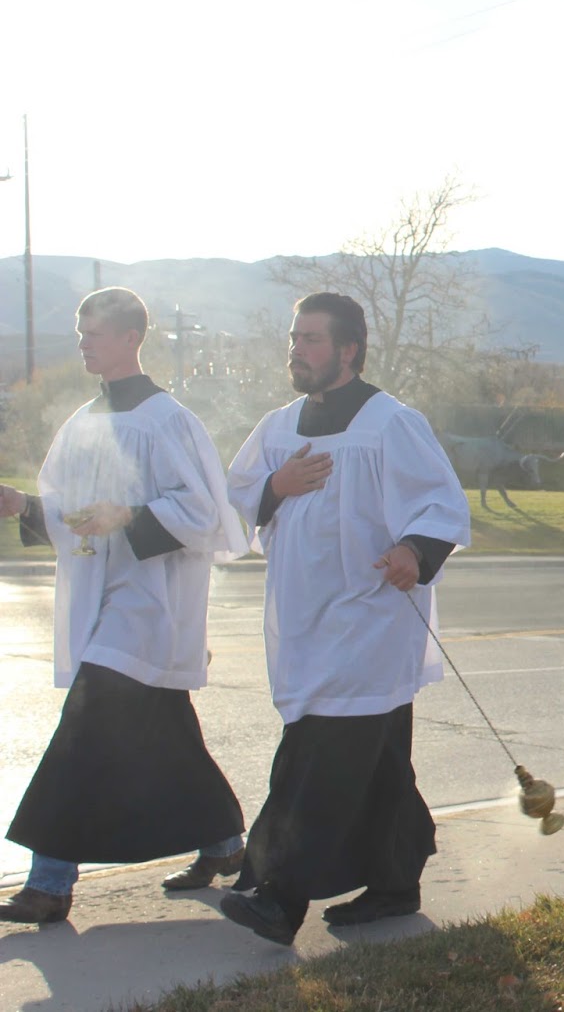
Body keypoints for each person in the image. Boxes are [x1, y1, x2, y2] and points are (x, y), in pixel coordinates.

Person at [220, 292, 471, 944]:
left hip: (369, 617)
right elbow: (234, 498)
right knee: (378, 754)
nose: (296, 350)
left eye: (310, 339)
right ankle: (395, 880)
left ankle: (278, 894)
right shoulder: (278, 427)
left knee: (320, 758)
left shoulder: (389, 423)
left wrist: (414, 552)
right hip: (302, 618)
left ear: (348, 349)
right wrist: (275, 487)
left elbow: (439, 503)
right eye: (295, 338)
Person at [0, 288, 247, 926]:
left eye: (95, 334)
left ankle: (51, 881)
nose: (84, 343)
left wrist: (129, 515)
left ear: (132, 337)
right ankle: (224, 846)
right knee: (167, 733)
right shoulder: (83, 420)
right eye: (81, 333)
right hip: (98, 597)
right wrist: (23, 506)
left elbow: (203, 514)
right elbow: (64, 505)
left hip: (148, 605)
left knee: (83, 726)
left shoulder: (168, 421)